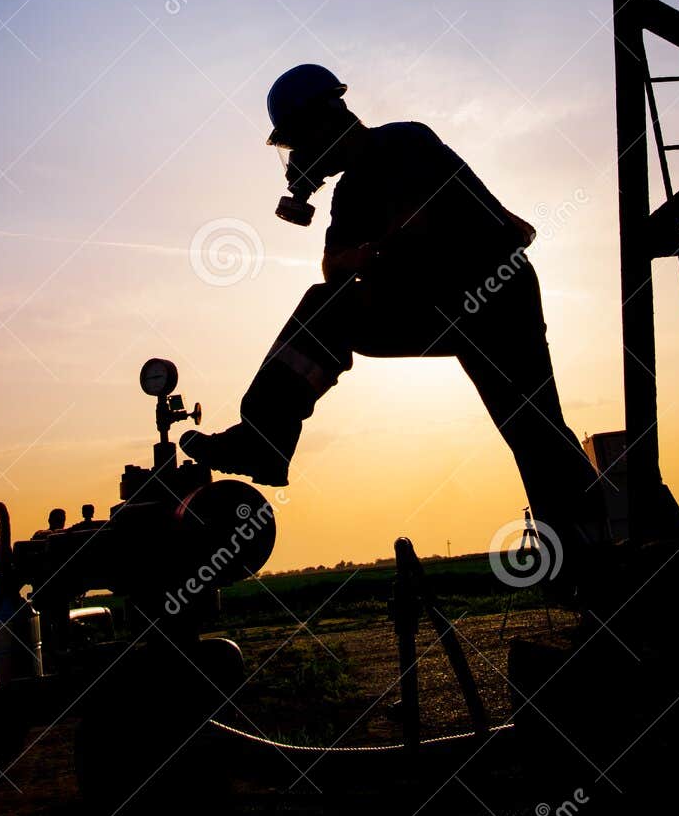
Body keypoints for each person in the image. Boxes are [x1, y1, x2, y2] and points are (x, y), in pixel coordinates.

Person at [182, 65, 608, 584]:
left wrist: (372, 253)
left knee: (531, 425)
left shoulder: (403, 142)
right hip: (440, 302)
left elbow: (424, 223)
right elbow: (334, 267)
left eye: (299, 142)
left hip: (495, 294)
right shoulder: (348, 193)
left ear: (326, 120)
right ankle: (263, 439)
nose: (298, 156)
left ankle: (590, 555)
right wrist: (353, 252)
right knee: (326, 306)